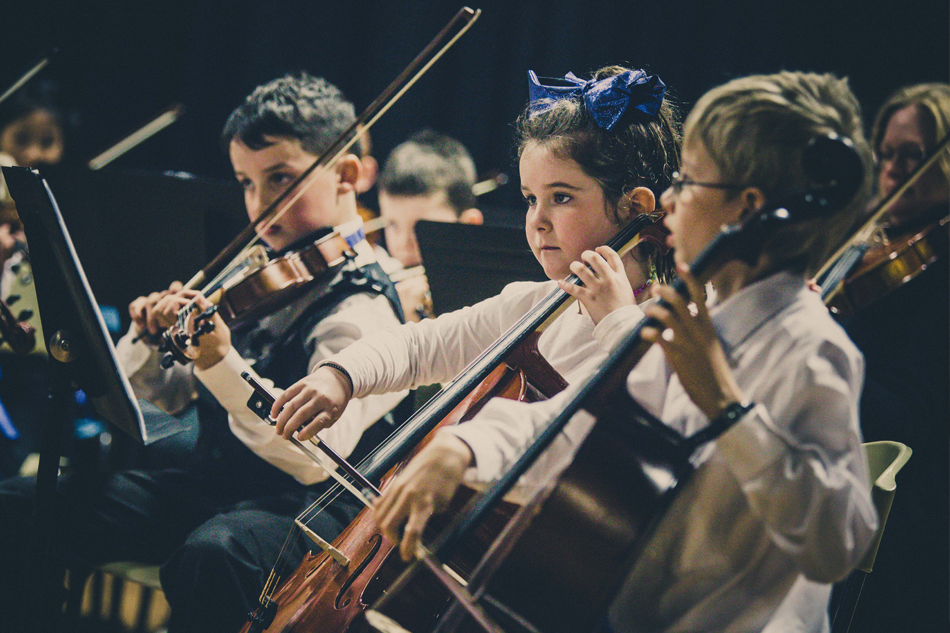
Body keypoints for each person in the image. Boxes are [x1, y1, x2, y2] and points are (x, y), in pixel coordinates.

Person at [369, 71, 879, 632]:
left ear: (745, 209)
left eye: (688, 182)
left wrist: (729, 409)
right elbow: (582, 423)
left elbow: (840, 541)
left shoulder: (809, 350)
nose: (667, 201)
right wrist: (465, 447)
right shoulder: (696, 320)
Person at [0, 72, 409, 633]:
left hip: (309, 513)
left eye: (281, 180)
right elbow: (164, 400)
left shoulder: (364, 306)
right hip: (221, 488)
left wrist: (219, 361)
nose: (260, 208)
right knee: (27, 503)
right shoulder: (259, 276)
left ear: (347, 174)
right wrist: (148, 340)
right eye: (246, 183)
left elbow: (313, 458)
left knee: (213, 555)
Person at [270, 65, 679, 494]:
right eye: (529, 199)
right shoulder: (534, 307)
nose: (537, 221)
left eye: (561, 197)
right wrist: (341, 375)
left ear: (635, 208)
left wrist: (616, 321)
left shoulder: (674, 331)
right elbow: (417, 347)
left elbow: (624, 417)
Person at [838, 83, 949, 632]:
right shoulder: (874, 244)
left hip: (901, 516)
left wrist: (816, 351)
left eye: (912, 155)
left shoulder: (938, 266)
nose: (892, 169)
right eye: (885, 155)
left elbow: (909, 414)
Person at [376, 129, 485, 320]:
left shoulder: (490, 303)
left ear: (469, 224)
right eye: (392, 225)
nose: (403, 244)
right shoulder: (379, 296)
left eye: (421, 229)